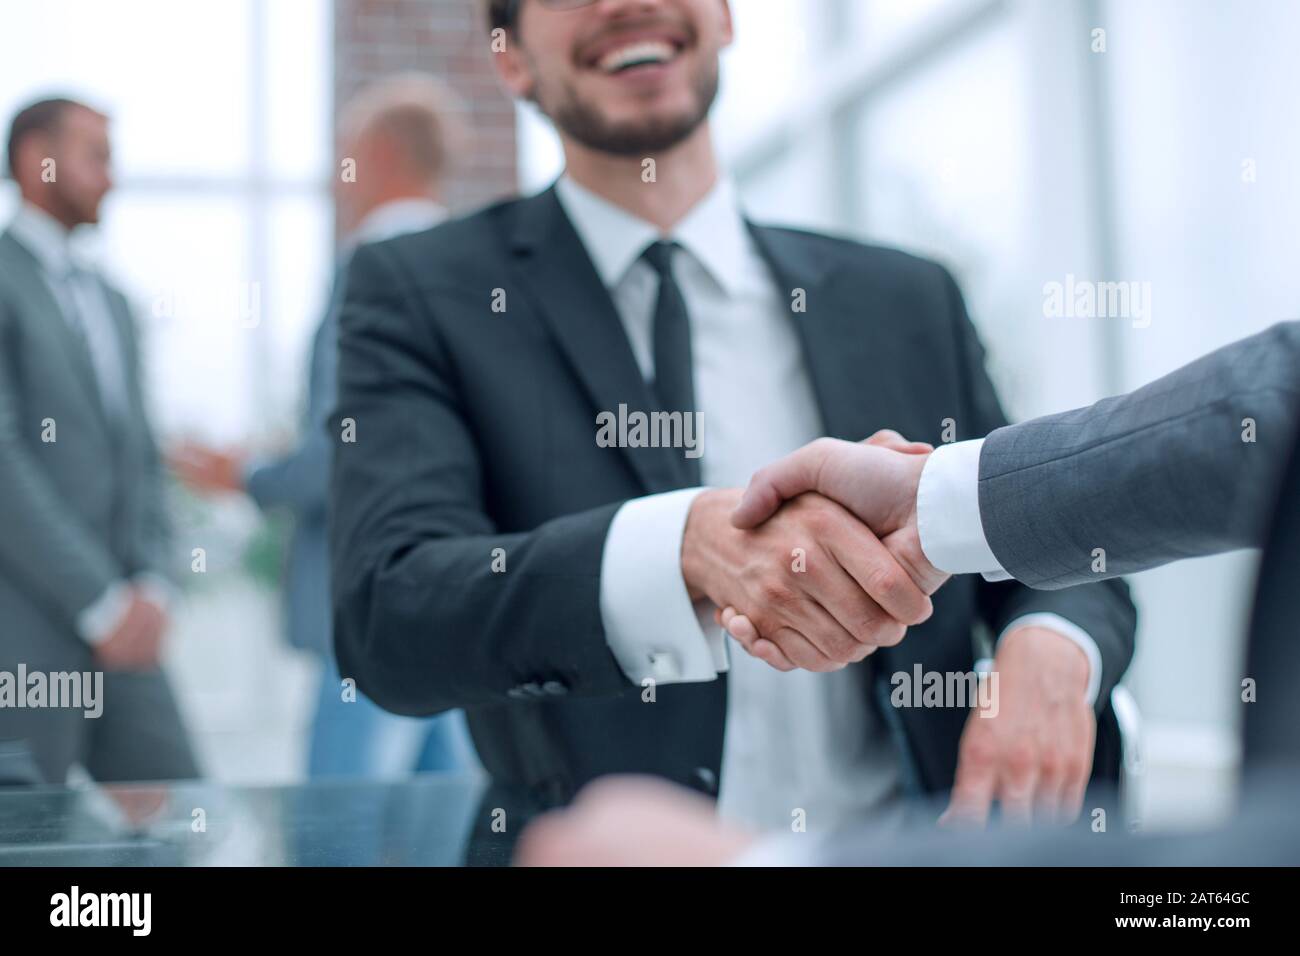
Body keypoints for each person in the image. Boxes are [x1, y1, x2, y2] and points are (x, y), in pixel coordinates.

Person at [329, 0, 1135, 837]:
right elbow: (388, 611)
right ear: (512, 57)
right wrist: (684, 548)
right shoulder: (421, 292)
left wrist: (1050, 645)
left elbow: (1050, 543)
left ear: (722, 15)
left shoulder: (905, 299)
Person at [515, 321, 1300, 865]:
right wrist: (929, 500)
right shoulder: (447, 290)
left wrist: (1053, 648)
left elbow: (1074, 585)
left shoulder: (904, 294)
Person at [170, 76, 475, 778]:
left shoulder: (371, 268)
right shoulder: (467, 268)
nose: (339, 179)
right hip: (452, 588)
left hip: (368, 586)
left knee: (340, 811)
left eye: (347, 157)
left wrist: (245, 474)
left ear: (383, 154)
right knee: (442, 805)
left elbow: (346, 452)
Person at [0, 96, 198, 784]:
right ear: (37, 159)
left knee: (185, 815)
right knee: (25, 830)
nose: (112, 178)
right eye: (97, 157)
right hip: (26, 633)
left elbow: (142, 456)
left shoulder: (113, 300)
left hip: (129, 634)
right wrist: (98, 601)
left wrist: (155, 583)